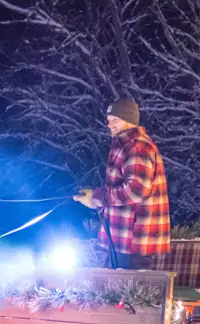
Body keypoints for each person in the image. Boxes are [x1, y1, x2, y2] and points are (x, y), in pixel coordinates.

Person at [73, 96, 171, 269]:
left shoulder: (137, 147)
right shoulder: (124, 145)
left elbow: (136, 190)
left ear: (129, 120)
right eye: (109, 120)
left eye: (115, 120)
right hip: (120, 238)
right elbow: (121, 187)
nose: (109, 124)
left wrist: (98, 197)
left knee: (126, 287)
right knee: (113, 285)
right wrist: (94, 196)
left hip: (132, 242)